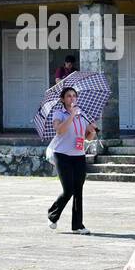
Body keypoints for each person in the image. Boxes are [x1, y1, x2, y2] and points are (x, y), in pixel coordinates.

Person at [46, 86, 97, 234]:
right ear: (63, 99)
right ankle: (53, 214)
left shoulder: (82, 115)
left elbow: (86, 137)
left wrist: (92, 131)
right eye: (68, 96)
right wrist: (71, 116)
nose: (72, 98)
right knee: (68, 190)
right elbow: (60, 130)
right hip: (62, 155)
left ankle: (78, 225)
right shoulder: (59, 114)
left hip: (79, 155)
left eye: (74, 96)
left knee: (78, 190)